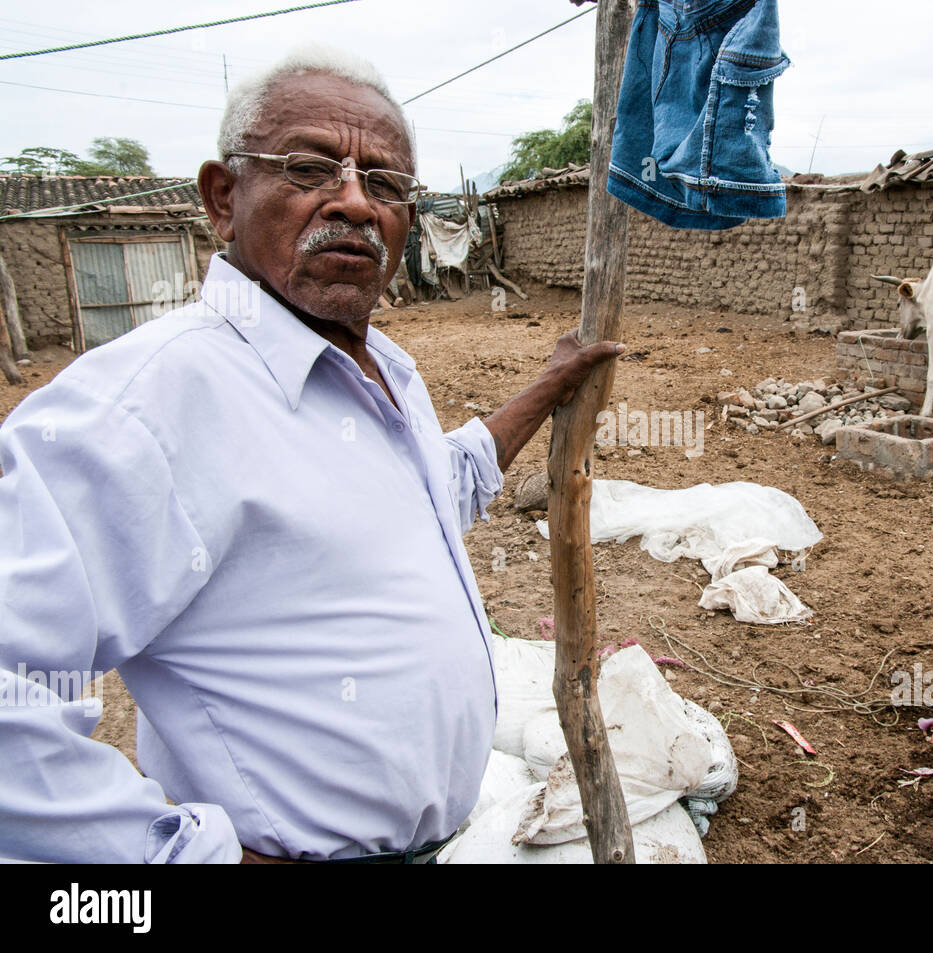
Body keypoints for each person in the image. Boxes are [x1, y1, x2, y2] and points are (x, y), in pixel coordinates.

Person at [0, 46, 621, 864]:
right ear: (223, 197)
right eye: (310, 168)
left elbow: (448, 483)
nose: (356, 202)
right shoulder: (149, 403)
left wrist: (549, 386)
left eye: (386, 183)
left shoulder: (383, 370)